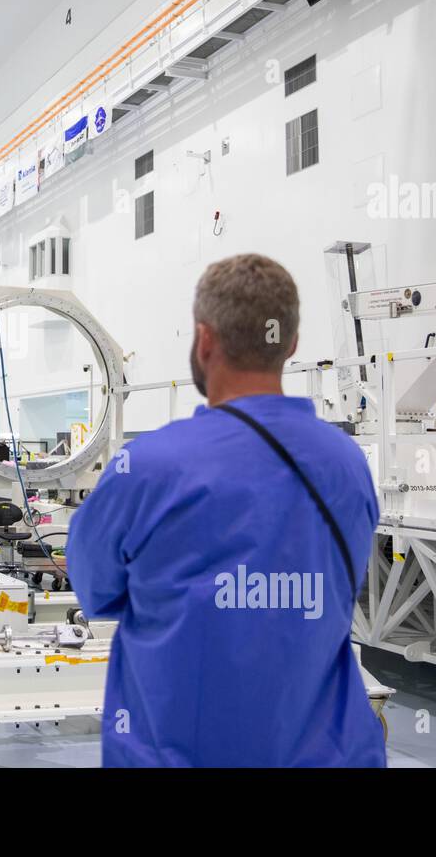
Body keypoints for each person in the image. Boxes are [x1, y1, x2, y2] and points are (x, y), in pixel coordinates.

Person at [68, 253, 385, 767]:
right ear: (291, 344)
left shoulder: (145, 467)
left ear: (205, 340)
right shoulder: (346, 462)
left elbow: (95, 591)